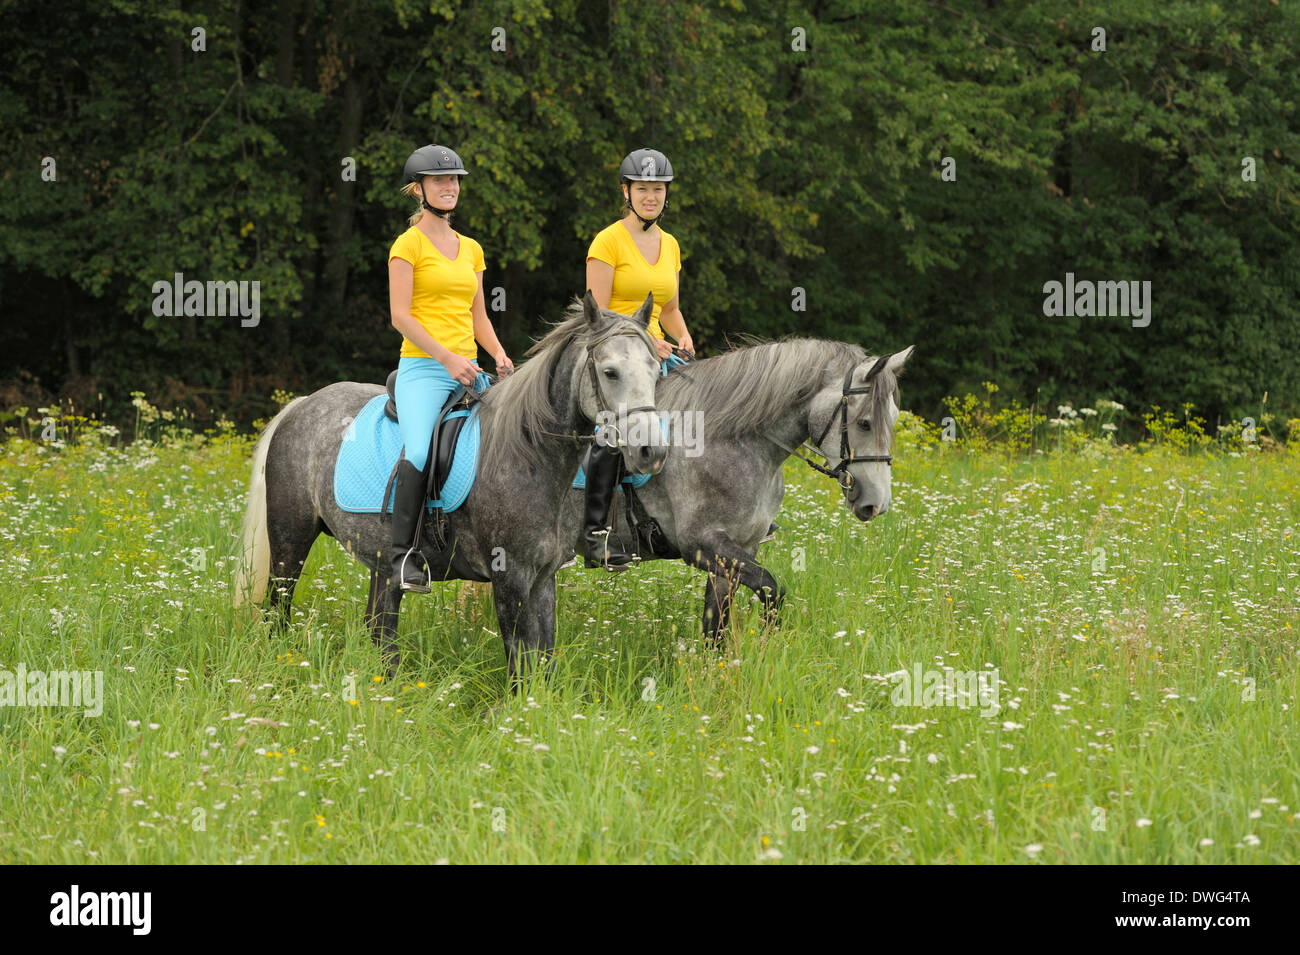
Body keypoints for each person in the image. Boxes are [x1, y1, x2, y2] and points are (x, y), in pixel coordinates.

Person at [387, 144, 513, 592]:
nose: (449, 187)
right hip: (424, 367)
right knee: (420, 450)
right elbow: (400, 315)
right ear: (419, 190)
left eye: (454, 180)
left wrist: (497, 355)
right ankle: (403, 556)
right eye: (440, 181)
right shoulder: (408, 245)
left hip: (469, 367)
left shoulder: (471, 249)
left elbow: (479, 317)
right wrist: (445, 357)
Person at [582, 147, 693, 570]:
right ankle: (596, 535)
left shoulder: (671, 245)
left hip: (659, 354)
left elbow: (670, 308)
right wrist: (650, 342)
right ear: (626, 192)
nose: (652, 197)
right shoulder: (607, 241)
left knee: (706, 414)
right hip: (617, 353)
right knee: (612, 429)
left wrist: (682, 338)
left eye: (658, 190)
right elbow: (599, 313)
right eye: (643, 189)